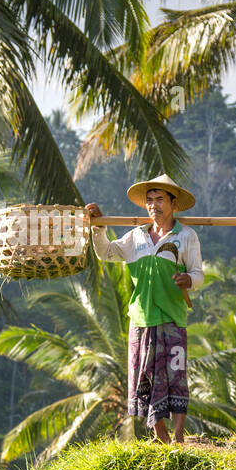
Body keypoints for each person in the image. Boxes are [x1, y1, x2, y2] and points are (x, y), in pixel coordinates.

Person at [86, 175, 204, 444]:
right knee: (146, 377)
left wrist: (189, 280)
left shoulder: (185, 236)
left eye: (160, 199)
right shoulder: (135, 237)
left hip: (172, 316)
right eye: (149, 200)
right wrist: (98, 228)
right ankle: (160, 436)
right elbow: (106, 253)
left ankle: (178, 436)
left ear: (173, 203)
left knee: (175, 374)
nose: (154, 205)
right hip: (141, 319)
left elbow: (198, 273)